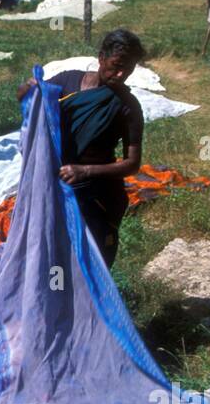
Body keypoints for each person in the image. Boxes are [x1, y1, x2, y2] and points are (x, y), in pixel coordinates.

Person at [17, 29, 146, 268]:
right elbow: (27, 100)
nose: (119, 75)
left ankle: (90, 304)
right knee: (52, 253)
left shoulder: (127, 107)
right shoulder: (67, 82)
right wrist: (28, 88)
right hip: (54, 183)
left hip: (96, 193)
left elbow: (132, 163)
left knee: (91, 257)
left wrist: (84, 171)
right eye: (115, 66)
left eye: (127, 70)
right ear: (101, 58)